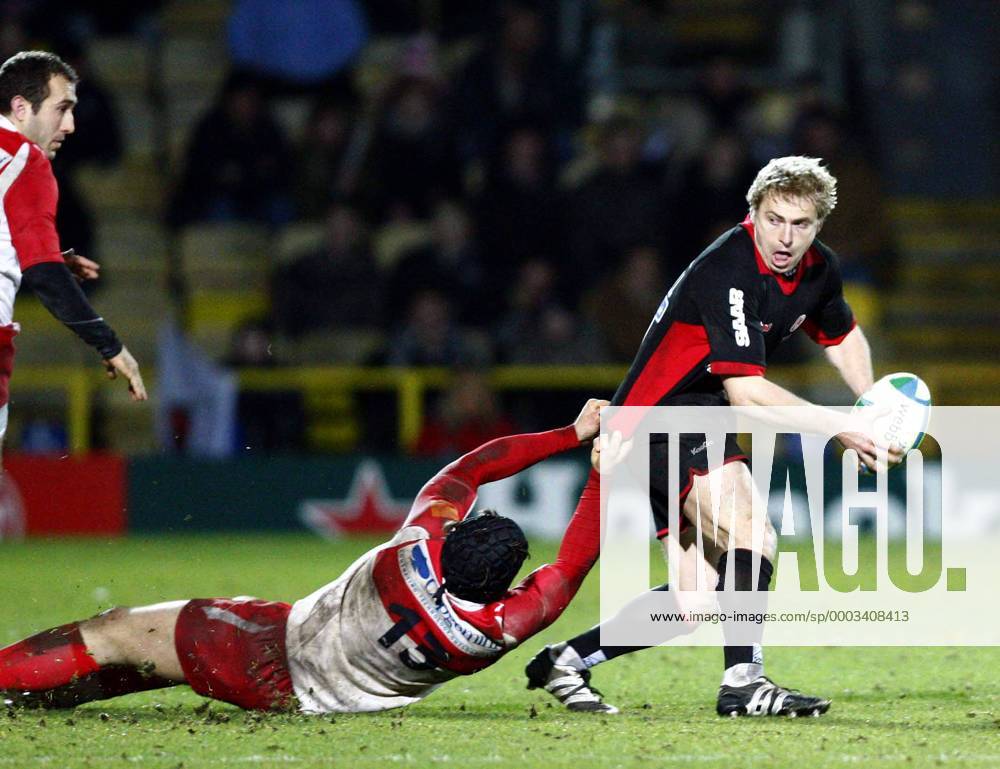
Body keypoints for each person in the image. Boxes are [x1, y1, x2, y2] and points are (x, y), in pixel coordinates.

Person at [525, 156, 901, 717]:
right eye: (774, 220)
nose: (785, 237)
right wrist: (841, 425)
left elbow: (842, 336)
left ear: (819, 225)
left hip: (682, 419)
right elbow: (746, 392)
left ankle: (566, 661)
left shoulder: (820, 268)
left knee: (694, 597)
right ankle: (744, 683)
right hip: (664, 417)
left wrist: (869, 404)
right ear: (753, 214)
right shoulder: (729, 267)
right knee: (753, 532)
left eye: (800, 225)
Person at [1, 399, 612, 713]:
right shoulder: (500, 627)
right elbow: (572, 567)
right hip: (313, 699)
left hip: (269, 644)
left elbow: (473, 468)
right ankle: (27, 699)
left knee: (113, 635)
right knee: (136, 669)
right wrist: (604, 479)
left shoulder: (412, 551)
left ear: (452, 539)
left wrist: (573, 434)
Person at [0, 50, 146, 446]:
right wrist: (109, 343)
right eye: (61, 109)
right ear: (21, 108)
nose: (71, 125)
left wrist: (43, 255)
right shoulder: (27, 161)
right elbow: (44, 276)